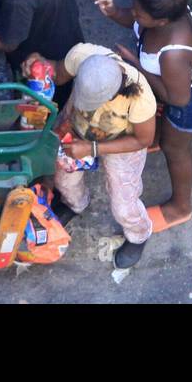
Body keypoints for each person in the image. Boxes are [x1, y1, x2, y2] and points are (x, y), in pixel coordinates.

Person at [94, 0, 192, 232]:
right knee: (161, 130)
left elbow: (176, 98)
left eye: (139, 14)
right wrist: (113, 11)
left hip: (189, 99)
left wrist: (135, 66)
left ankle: (180, 207)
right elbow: (134, 16)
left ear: (162, 21)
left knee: (175, 148)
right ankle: (155, 136)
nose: (134, 15)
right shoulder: (169, 4)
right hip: (183, 77)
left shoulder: (173, 55)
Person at [23, 43, 157, 269]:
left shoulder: (140, 97)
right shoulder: (83, 55)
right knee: (64, 180)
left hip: (123, 145)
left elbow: (143, 140)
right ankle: (75, 205)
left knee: (123, 200)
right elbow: (56, 72)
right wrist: (38, 62)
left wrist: (92, 149)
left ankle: (138, 234)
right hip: (76, 127)